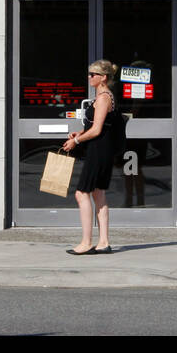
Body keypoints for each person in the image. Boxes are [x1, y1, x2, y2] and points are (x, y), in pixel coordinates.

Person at [60, 59, 124, 254]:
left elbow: (96, 130)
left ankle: (87, 242)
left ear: (103, 77)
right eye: (89, 74)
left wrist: (76, 142)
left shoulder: (104, 97)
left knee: (81, 193)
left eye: (93, 74)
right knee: (98, 194)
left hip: (98, 150)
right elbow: (97, 127)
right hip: (99, 149)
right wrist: (79, 133)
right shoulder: (102, 97)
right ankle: (103, 242)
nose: (89, 77)